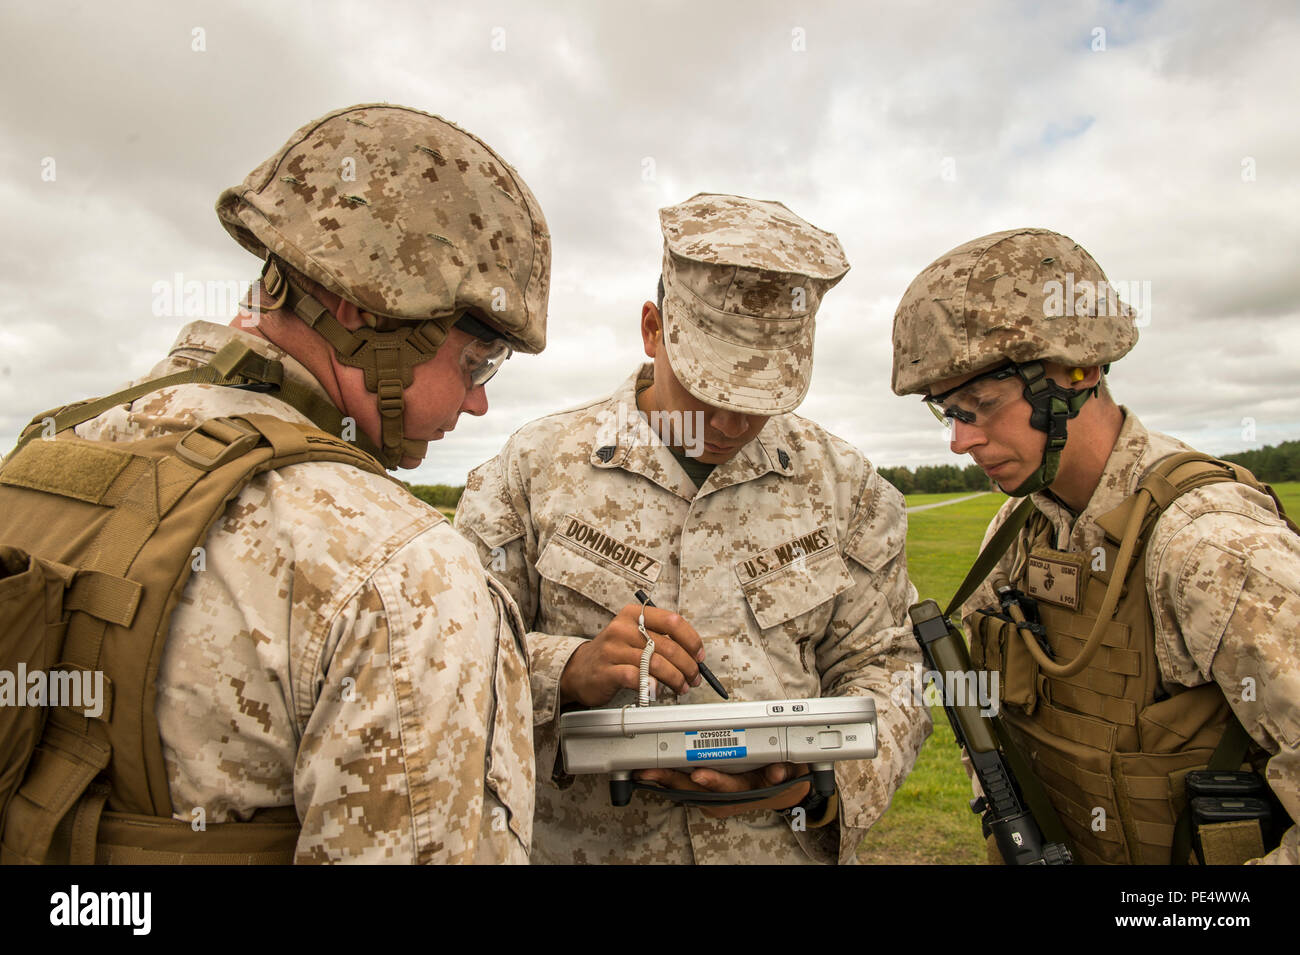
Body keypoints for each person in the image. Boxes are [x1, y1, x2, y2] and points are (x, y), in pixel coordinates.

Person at [0, 104, 549, 864]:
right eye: (477, 360)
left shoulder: (44, 458)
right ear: (368, 307)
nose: (480, 400)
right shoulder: (401, 572)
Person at [455, 193, 930, 865]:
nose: (733, 424)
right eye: (709, 392)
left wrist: (815, 784)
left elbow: (893, 668)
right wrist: (572, 668)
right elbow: (454, 664)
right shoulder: (533, 470)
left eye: (761, 401)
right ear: (654, 329)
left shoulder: (848, 488)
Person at [891, 227, 1299, 864]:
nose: (960, 441)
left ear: (1076, 373)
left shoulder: (1211, 545)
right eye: (949, 411)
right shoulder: (1018, 530)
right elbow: (991, 717)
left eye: (981, 404)